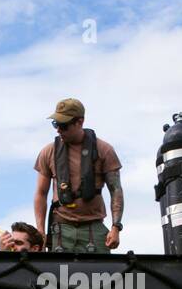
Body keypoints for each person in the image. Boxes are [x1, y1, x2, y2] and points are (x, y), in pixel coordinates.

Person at [32, 98, 124, 253]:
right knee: (56, 276)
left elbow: (116, 190)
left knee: (101, 275)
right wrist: (40, 230)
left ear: (79, 122)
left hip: (93, 228)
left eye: (63, 125)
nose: (58, 130)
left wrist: (116, 227)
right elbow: (41, 193)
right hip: (60, 229)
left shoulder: (104, 150)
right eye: (55, 124)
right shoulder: (48, 152)